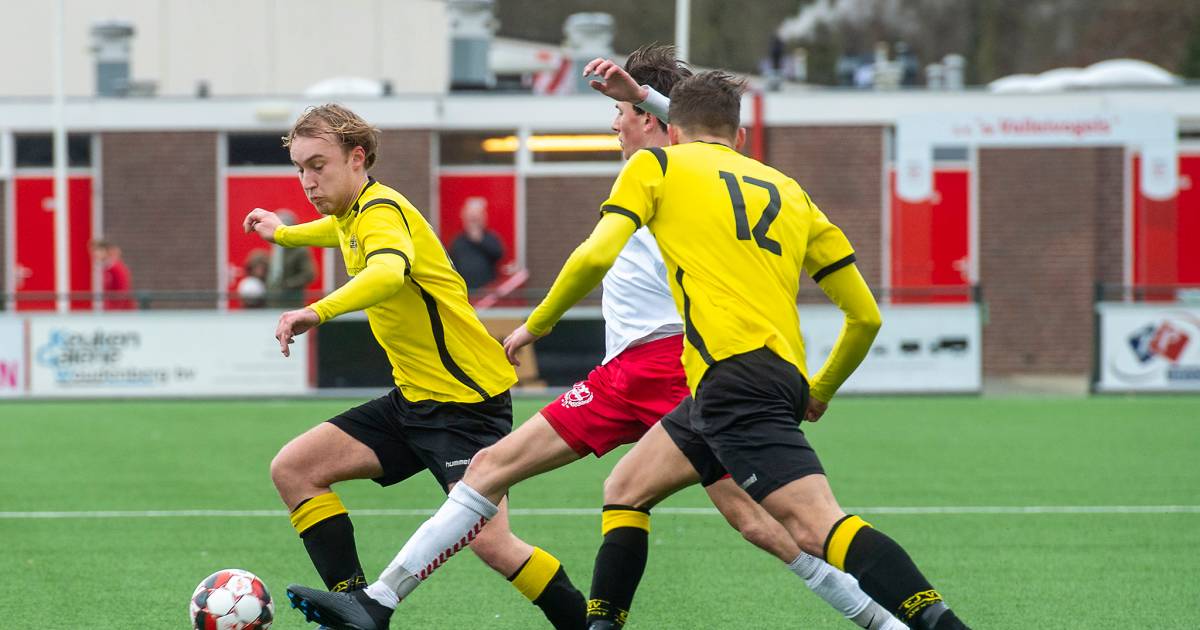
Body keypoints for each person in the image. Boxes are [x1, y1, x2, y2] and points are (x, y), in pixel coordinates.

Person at [284, 46, 901, 630]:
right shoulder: (701, 170)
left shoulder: (661, 168)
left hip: (652, 365)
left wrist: (537, 323)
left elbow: (610, 234)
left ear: (653, 120)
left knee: (502, 472)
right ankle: (885, 619)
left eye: (621, 112)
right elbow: (702, 127)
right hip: (669, 368)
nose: (614, 123)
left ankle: (378, 601)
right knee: (752, 519)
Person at [511, 71, 970, 630]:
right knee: (626, 489)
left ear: (670, 133)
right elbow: (866, 316)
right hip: (761, 378)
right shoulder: (788, 190)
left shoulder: (656, 166)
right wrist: (820, 391)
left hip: (732, 378)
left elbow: (593, 256)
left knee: (816, 526)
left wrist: (537, 325)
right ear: (741, 136)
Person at [242, 104, 584, 630]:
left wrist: (317, 310)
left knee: (494, 544)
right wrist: (285, 235)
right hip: (413, 401)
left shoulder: (382, 213)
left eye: (318, 165)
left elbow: (386, 272)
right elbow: (338, 232)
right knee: (295, 468)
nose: (307, 181)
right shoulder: (356, 215)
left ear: (357, 158)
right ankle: (353, 608)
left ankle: (585, 624)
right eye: (300, 168)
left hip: (466, 405)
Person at [448, 196, 505, 290]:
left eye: (476, 218)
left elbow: (498, 254)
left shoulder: (490, 238)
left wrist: (480, 240)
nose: (473, 222)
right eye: (471, 218)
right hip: (465, 291)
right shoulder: (458, 241)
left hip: (487, 292)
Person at [266, 209, 317, 307]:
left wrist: (287, 284)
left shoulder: (300, 249)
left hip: (292, 301)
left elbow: (309, 274)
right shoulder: (276, 247)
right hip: (272, 301)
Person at [89, 239, 135, 310]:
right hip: (110, 309)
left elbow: (122, 289)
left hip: (120, 311)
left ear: (106, 251)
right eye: (93, 251)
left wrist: (115, 309)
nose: (95, 254)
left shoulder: (116, 267)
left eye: (98, 250)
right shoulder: (105, 268)